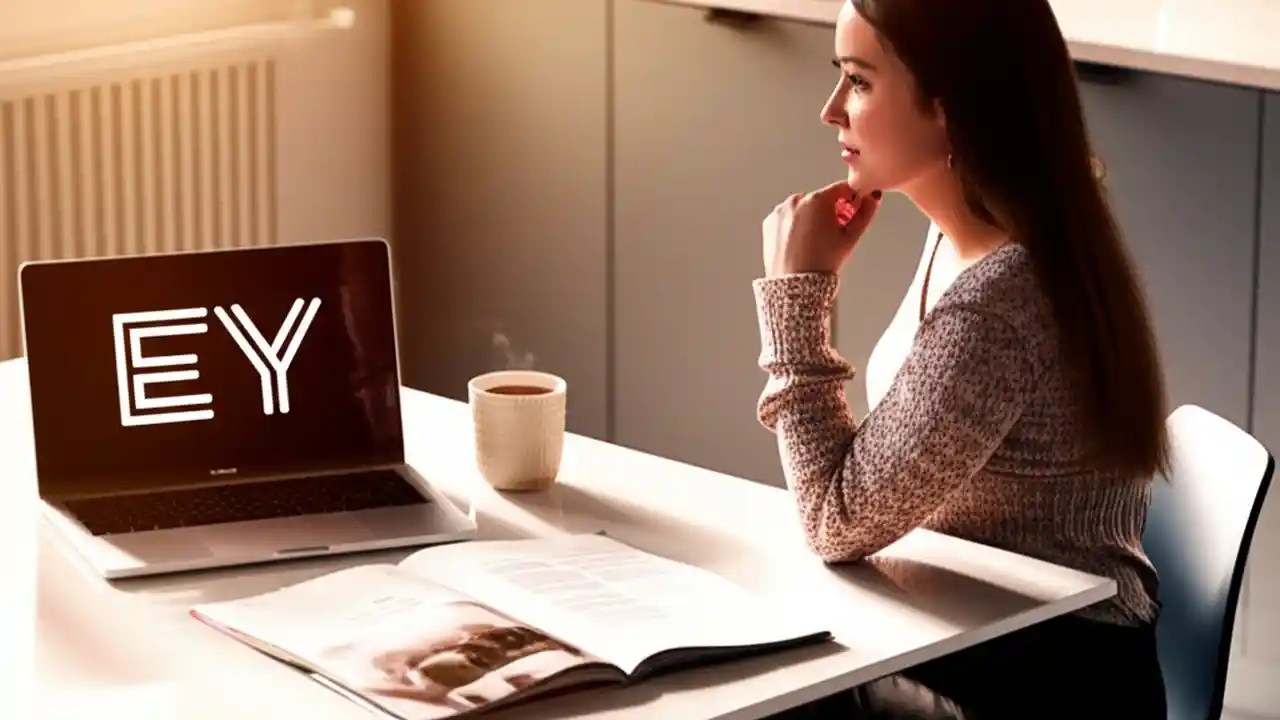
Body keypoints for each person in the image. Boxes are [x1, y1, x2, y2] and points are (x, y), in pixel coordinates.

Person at [754, 0, 1168, 717]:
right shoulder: (974, 236)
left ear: (947, 106)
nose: (830, 111)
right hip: (980, 631)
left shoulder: (1001, 301)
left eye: (858, 81)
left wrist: (799, 295)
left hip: (1051, 679)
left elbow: (834, 519)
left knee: (762, 691)